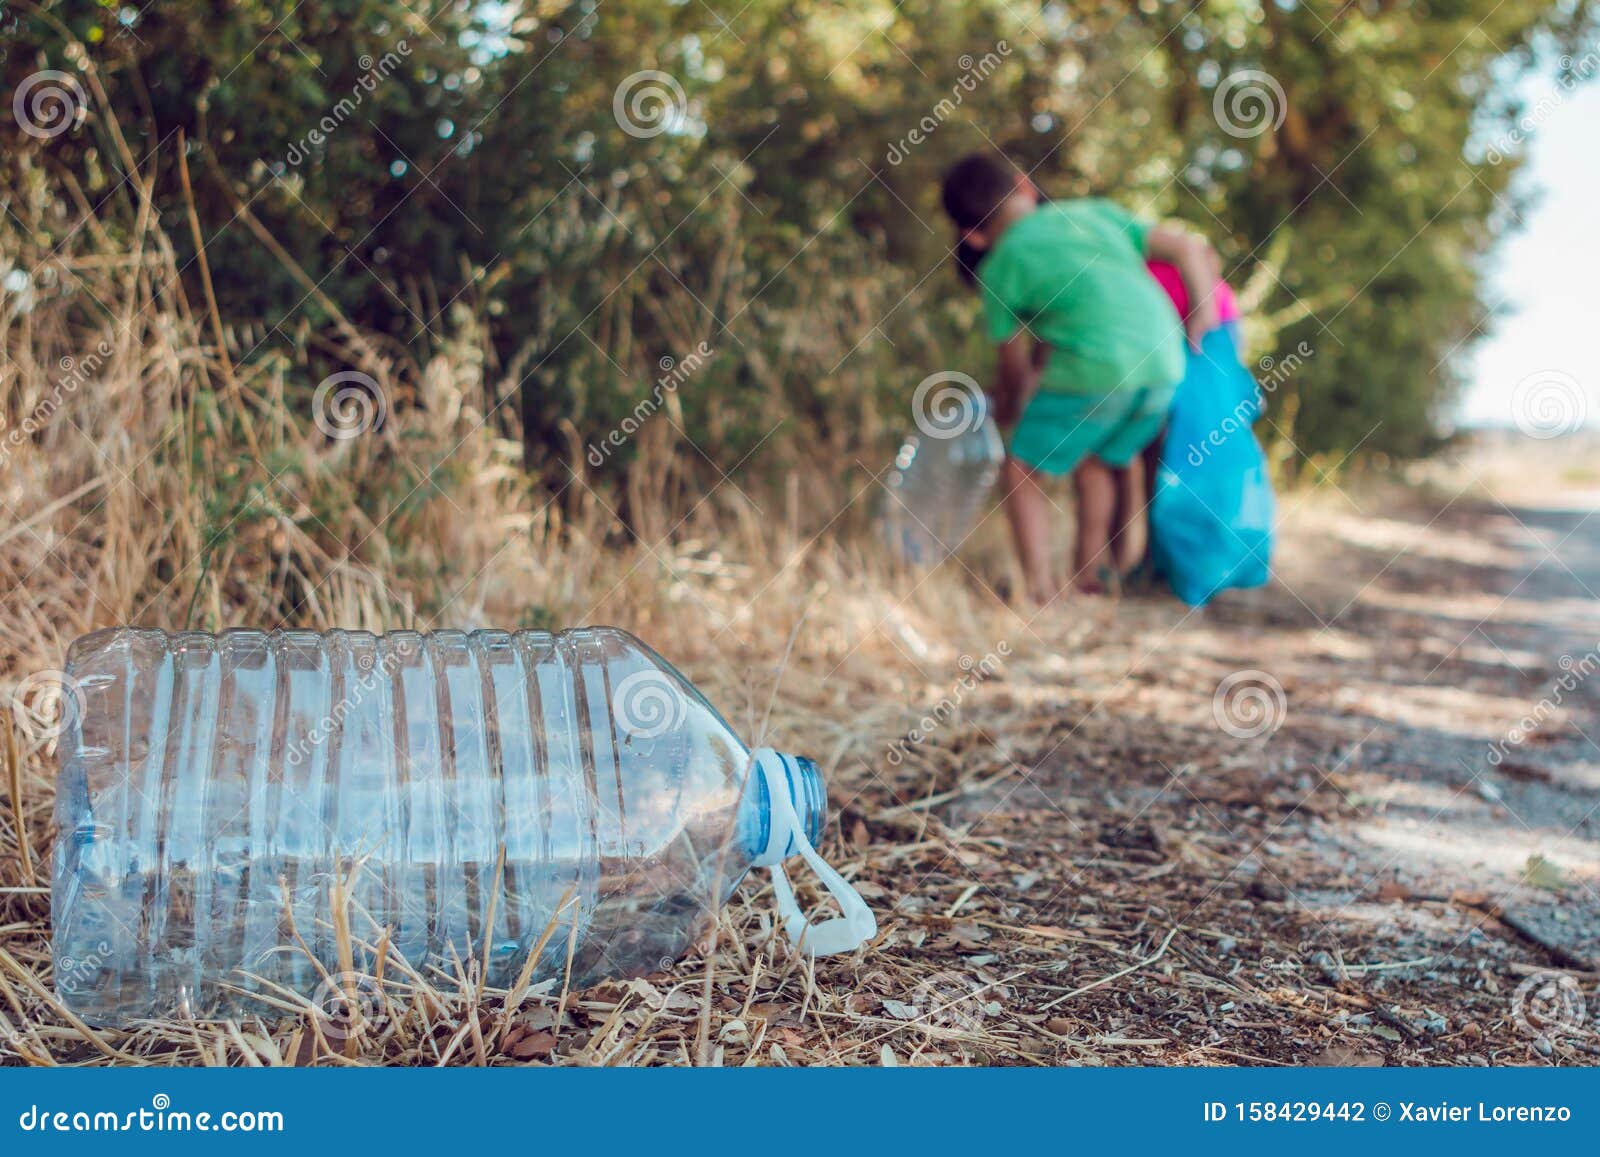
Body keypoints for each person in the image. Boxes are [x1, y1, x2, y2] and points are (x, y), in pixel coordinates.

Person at [941, 153, 1222, 603]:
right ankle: (1093, 575)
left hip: (1098, 366)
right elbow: (1187, 247)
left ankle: (1040, 590)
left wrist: (1009, 408)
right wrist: (1204, 316)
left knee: (1021, 470)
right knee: (1098, 462)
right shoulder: (1090, 213)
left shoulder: (998, 267)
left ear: (972, 236)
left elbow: (1012, 368)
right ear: (1025, 186)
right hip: (1164, 362)